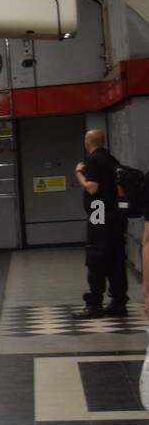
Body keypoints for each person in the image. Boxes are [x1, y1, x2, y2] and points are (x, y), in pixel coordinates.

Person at [74, 129, 128, 318]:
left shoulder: (93, 161)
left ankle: (94, 304)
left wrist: (79, 174)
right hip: (116, 218)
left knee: (95, 260)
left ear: (87, 143)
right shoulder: (113, 161)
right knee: (116, 260)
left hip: (99, 216)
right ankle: (118, 302)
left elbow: (92, 188)